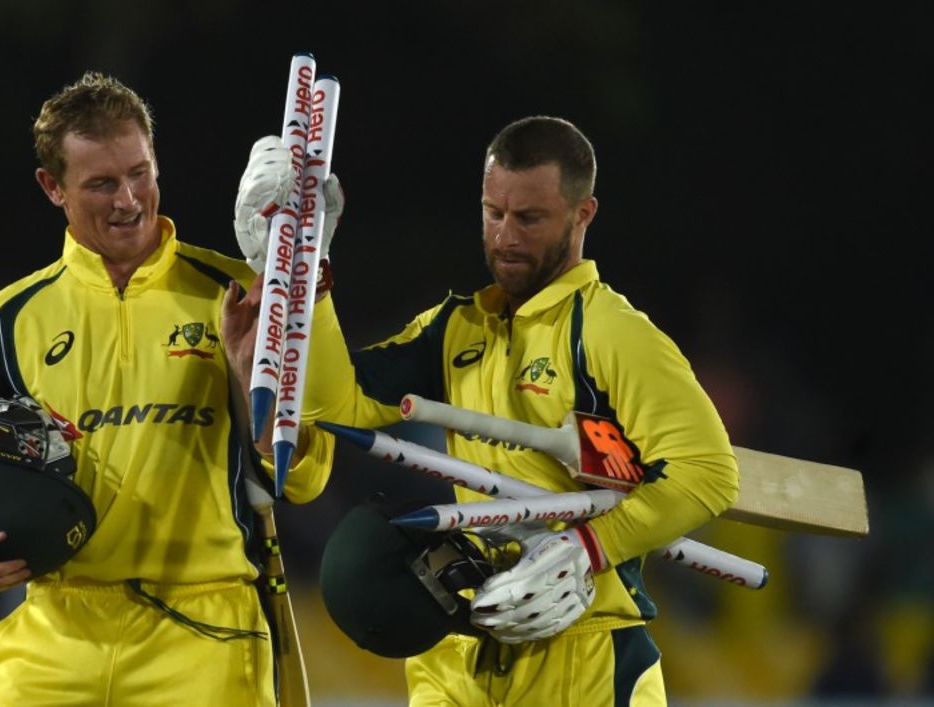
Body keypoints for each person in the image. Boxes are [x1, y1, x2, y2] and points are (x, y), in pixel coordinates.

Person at [229, 116, 739, 705]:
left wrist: (584, 548)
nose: (504, 237)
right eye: (493, 212)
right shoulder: (456, 327)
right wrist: (306, 280)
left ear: (583, 215)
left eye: (529, 218)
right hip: (468, 644)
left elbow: (708, 472)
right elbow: (335, 402)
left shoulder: (614, 333)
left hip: (586, 656)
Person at [0, 72, 335, 706]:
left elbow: (302, 478)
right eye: (101, 184)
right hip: (56, 628)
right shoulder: (4, 320)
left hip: (206, 633)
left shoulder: (241, 292)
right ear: (51, 187)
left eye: (140, 173)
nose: (129, 200)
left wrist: (249, 377)